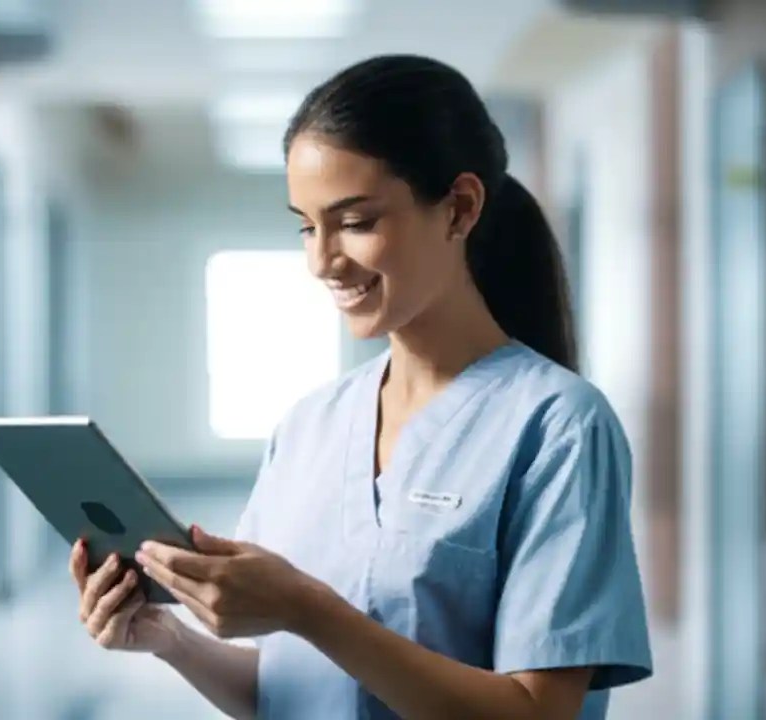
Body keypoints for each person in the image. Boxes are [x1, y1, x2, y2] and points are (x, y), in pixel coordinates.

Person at [69, 54, 652, 720]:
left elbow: (537, 712)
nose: (322, 261)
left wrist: (306, 607)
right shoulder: (310, 425)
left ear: (459, 209)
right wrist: (169, 640)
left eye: (355, 222)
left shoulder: (558, 426)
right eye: (306, 225)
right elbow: (290, 690)